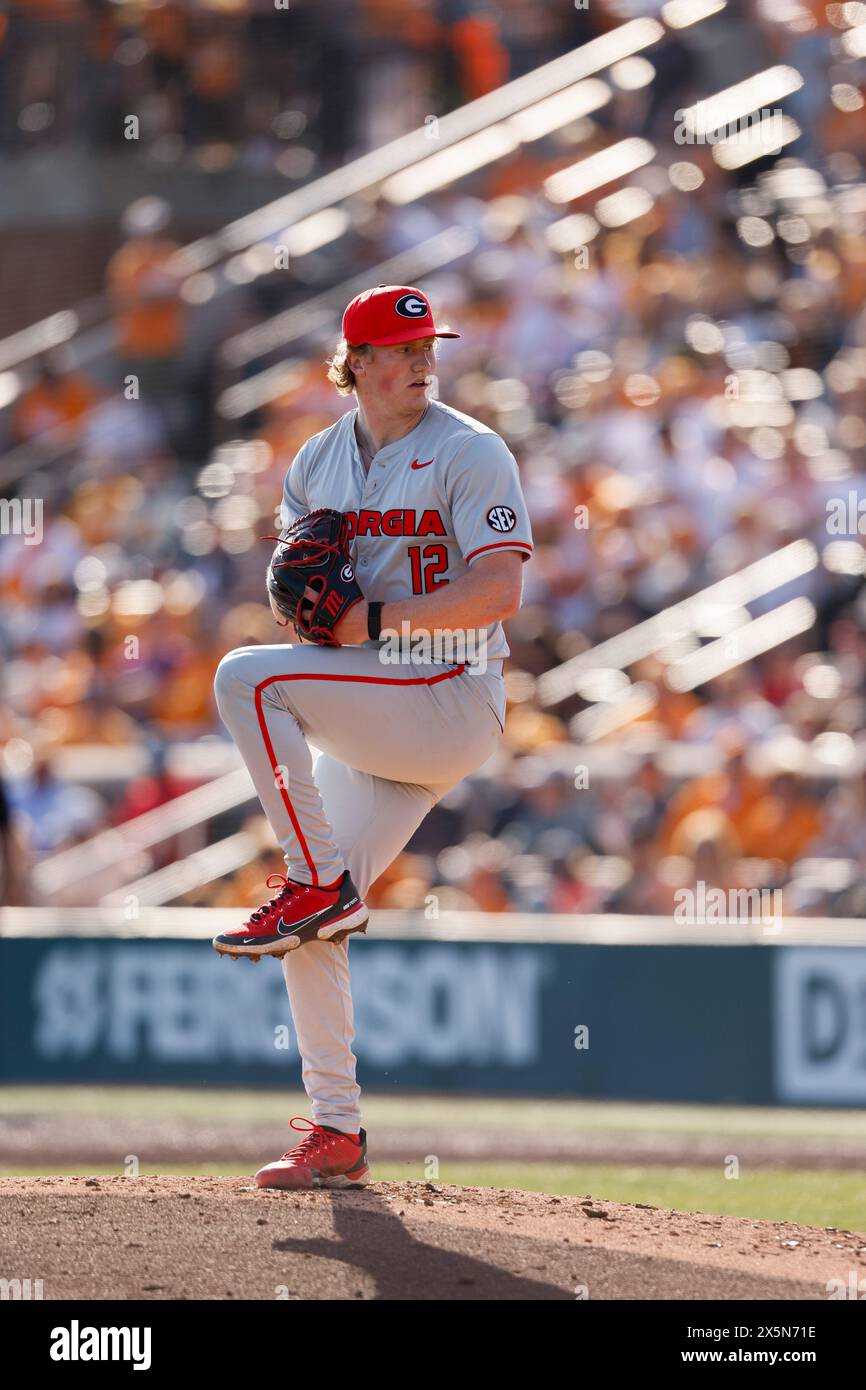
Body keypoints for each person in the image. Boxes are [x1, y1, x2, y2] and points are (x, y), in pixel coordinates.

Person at [211, 283, 533, 1189]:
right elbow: (304, 595)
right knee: (311, 932)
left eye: (428, 345)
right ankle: (337, 1132)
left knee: (246, 678)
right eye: (400, 349)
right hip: (379, 710)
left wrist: (372, 622)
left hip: (451, 693)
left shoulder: (470, 450)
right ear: (354, 364)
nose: (422, 360)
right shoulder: (316, 463)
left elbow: (499, 591)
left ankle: (315, 883)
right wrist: (321, 617)